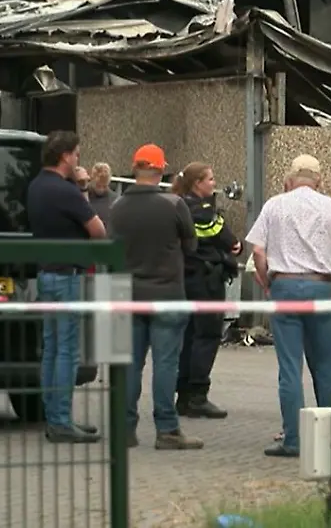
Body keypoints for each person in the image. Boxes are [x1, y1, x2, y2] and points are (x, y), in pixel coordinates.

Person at [246, 154, 331, 458]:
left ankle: (293, 440)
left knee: (290, 368)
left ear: (289, 179)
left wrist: (267, 283)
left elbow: (258, 252)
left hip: (285, 286)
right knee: (327, 366)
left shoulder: (274, 205)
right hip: (322, 286)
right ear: (318, 180)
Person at [109, 144, 202, 450]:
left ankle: (124, 428)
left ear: (134, 169)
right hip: (167, 294)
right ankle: (167, 429)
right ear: (162, 170)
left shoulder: (117, 207)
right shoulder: (174, 204)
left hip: (129, 296)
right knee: (166, 364)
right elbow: (191, 247)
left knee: (130, 364)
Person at [26, 130, 107, 443]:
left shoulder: (36, 186)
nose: (78, 160)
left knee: (51, 348)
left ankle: (54, 415)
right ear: (65, 156)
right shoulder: (65, 191)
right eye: (76, 155)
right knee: (67, 351)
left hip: (46, 273)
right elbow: (98, 231)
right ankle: (61, 421)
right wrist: (82, 190)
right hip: (67, 275)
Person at [172, 162, 242, 420]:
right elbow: (225, 236)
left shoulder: (179, 204)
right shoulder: (201, 209)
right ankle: (198, 395)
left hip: (188, 280)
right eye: (210, 179)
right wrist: (233, 243)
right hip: (207, 281)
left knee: (189, 336)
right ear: (197, 183)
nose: (214, 183)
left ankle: (184, 395)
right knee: (208, 335)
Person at [87, 162, 116, 228]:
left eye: (105, 186)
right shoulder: (83, 195)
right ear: (92, 179)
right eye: (98, 186)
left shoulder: (115, 200)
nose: (101, 189)